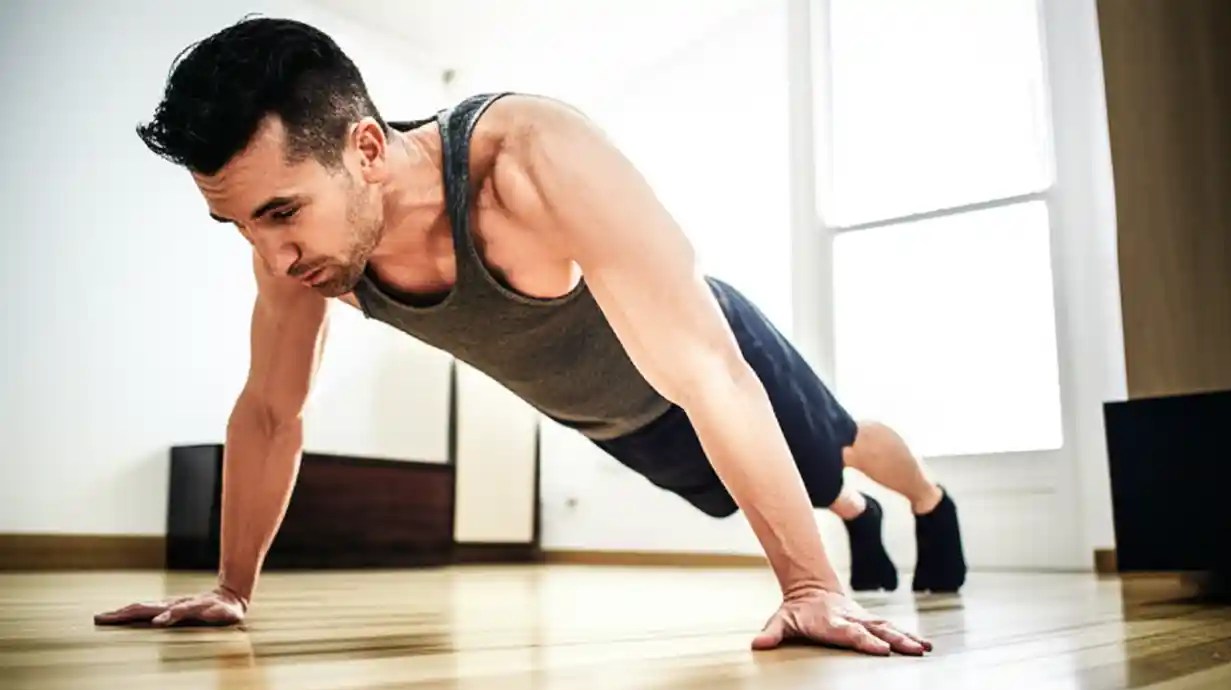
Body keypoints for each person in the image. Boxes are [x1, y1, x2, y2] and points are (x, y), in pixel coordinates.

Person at [94, 17, 966, 656]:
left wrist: (809, 590)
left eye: (283, 212)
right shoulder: (302, 259)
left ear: (367, 149)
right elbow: (270, 412)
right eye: (242, 225)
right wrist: (232, 589)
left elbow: (708, 371)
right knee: (790, 489)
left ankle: (928, 502)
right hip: (621, 421)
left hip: (709, 358)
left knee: (838, 447)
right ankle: (855, 518)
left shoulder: (528, 159)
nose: (272, 257)